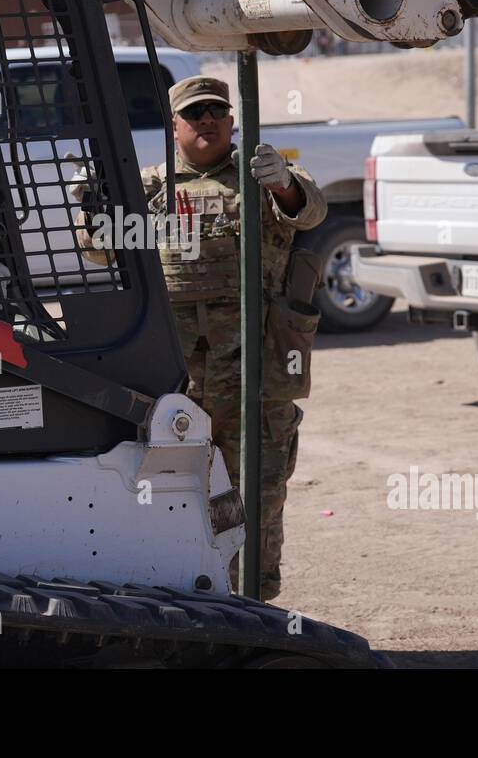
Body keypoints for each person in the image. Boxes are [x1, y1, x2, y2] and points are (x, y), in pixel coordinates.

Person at [74, 75, 327, 600]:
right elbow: (99, 249)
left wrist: (282, 182)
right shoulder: (150, 189)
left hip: (254, 376)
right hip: (177, 386)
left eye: (216, 112)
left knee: (257, 492)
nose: (207, 121)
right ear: (174, 126)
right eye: (195, 114)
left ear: (232, 122)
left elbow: (309, 209)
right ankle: (187, 604)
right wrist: (91, 204)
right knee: (172, 497)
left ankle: (253, 604)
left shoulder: (260, 180)